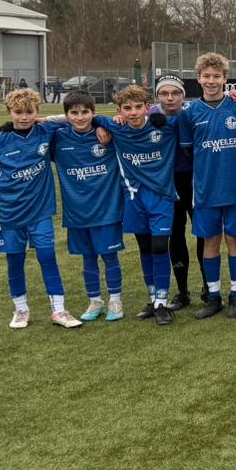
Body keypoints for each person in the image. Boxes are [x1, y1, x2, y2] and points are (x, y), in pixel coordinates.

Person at [0, 87, 79, 330]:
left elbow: (75, 117)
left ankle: (59, 310)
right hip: (9, 213)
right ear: (9, 112)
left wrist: (44, 119)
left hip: (41, 211)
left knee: (48, 257)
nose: (23, 117)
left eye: (29, 112)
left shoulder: (45, 130)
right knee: (15, 261)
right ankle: (21, 309)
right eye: (18, 112)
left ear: (37, 112)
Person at [96, 86, 180, 324]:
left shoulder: (164, 126)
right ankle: (154, 299)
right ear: (119, 111)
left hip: (162, 197)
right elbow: (83, 117)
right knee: (145, 248)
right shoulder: (116, 126)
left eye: (137, 107)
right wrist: (103, 124)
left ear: (147, 107)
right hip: (133, 197)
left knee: (160, 246)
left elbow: (189, 112)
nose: (133, 113)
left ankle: (163, 302)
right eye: (127, 108)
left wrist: (230, 95)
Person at [175, 53, 236, 319]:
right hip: (205, 190)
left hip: (235, 189)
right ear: (198, 79)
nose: (211, 81)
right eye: (206, 76)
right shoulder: (190, 113)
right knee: (210, 241)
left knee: (234, 240)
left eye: (216, 76)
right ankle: (214, 296)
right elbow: (188, 151)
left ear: (225, 79)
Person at [47, 89, 127, 322]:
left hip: (107, 209)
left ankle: (115, 299)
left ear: (93, 112)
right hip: (77, 211)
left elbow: (122, 124)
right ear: (66, 115)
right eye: (74, 113)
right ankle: (94, 301)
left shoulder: (107, 135)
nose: (80, 117)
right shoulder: (59, 138)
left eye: (85, 112)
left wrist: (102, 123)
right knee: (87, 258)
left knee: (109, 256)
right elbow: (41, 126)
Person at [153, 74, 202, 309]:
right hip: (167, 184)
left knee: (203, 232)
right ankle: (183, 292)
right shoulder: (148, 115)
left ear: (184, 95)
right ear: (157, 96)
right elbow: (115, 118)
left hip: (194, 181)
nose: (170, 98)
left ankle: (209, 288)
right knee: (176, 234)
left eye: (175, 93)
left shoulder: (193, 111)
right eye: (164, 93)